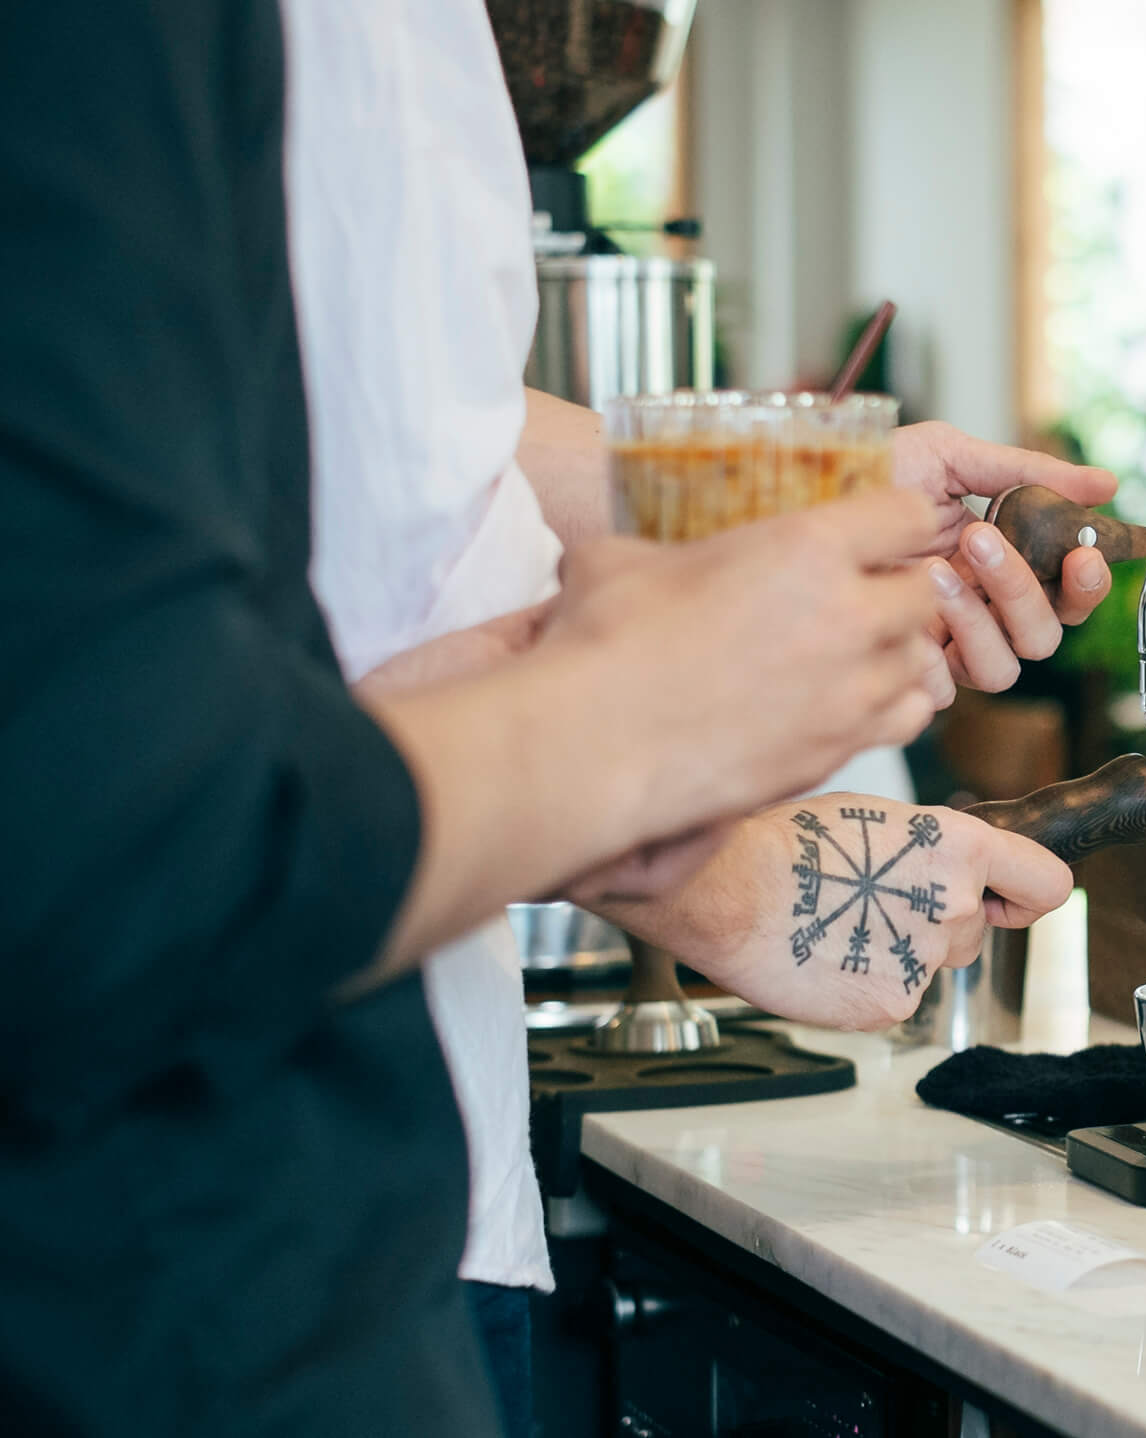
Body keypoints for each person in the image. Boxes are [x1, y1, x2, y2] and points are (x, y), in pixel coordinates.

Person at [0, 4, 1084, 1432]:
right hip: (167, 1254)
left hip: (397, 1144)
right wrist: (712, 845)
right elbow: (118, 808)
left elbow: (391, 416)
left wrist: (785, 497)